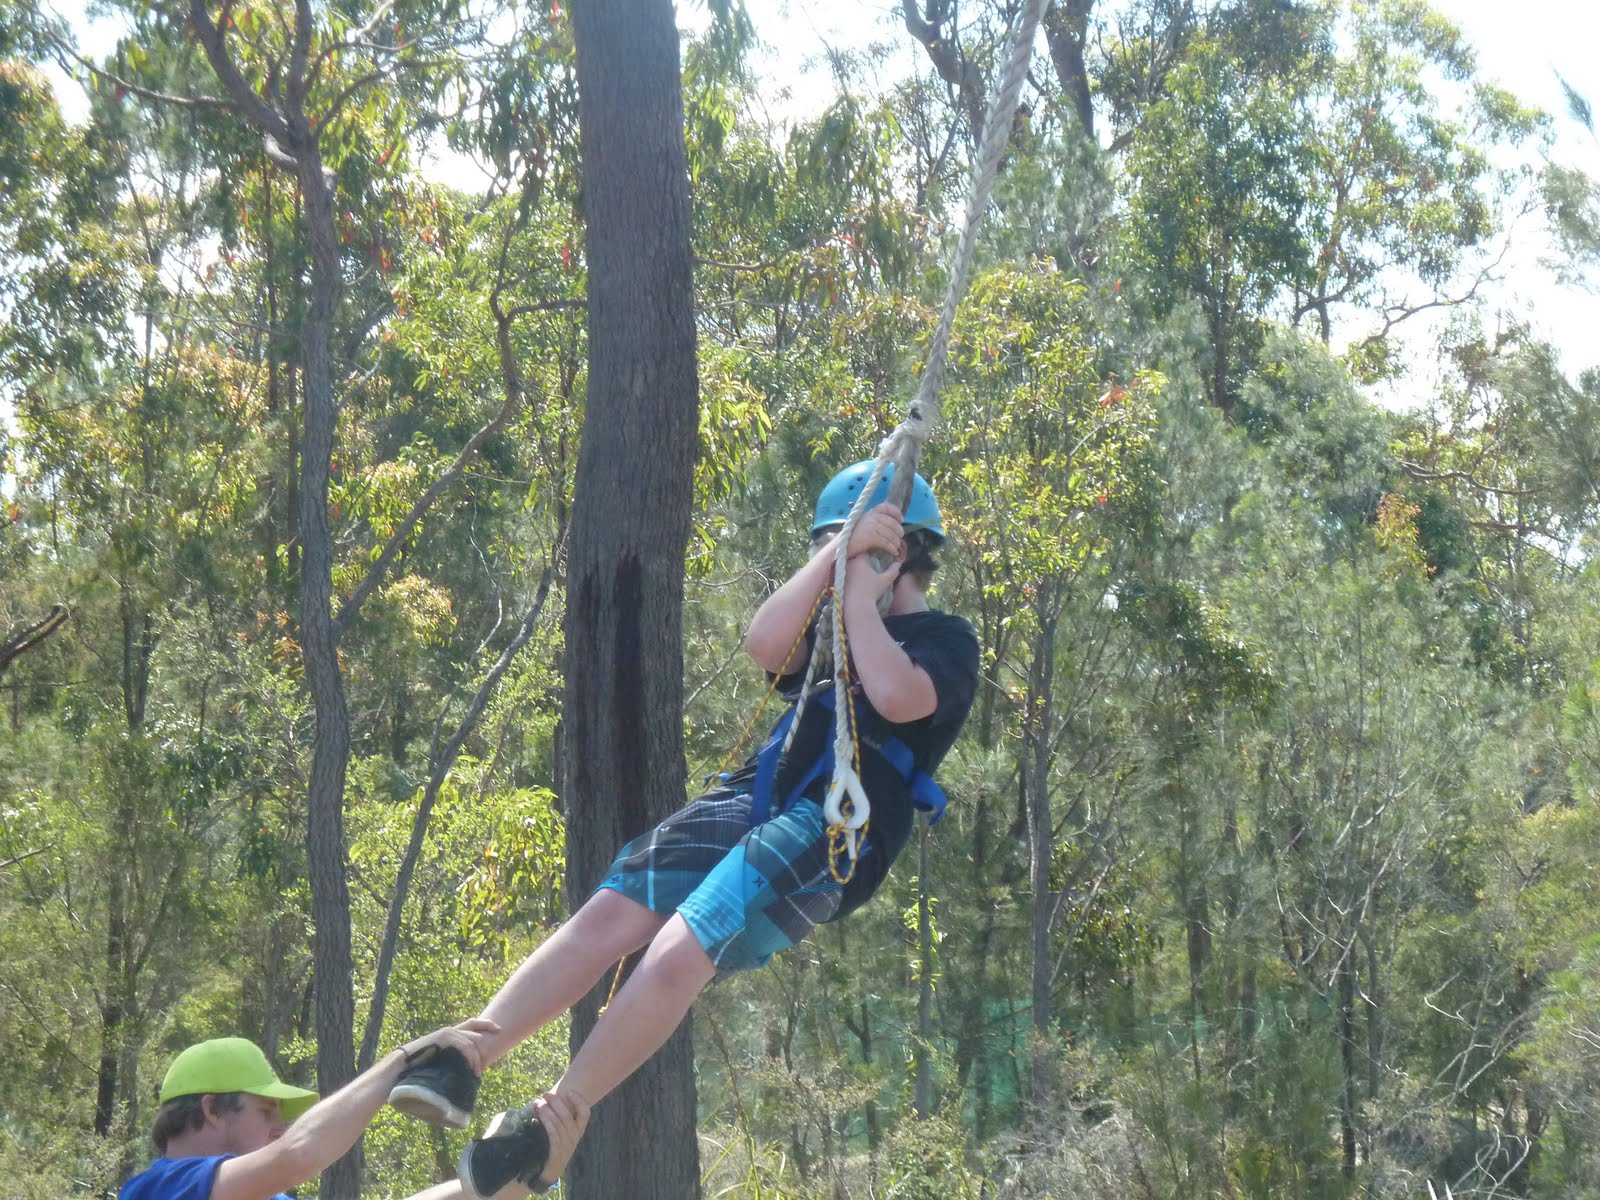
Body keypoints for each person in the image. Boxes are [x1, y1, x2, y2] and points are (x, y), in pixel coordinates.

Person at [387, 461, 980, 1199]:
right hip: (755, 801)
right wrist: (840, 557)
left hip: (834, 828)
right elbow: (765, 644)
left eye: (859, 553)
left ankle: (548, 1122)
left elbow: (895, 695)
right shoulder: (830, 626)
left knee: (677, 950)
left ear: (905, 555)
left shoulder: (945, 642)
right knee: (611, 911)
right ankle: (469, 1052)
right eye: (833, 550)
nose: (840, 573)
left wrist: (862, 589)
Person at [119, 1022, 589, 1200]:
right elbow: (298, 1156)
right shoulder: (159, 1190)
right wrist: (401, 1062)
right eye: (266, 1110)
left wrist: (523, 1176)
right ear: (212, 1110)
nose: (278, 1126)